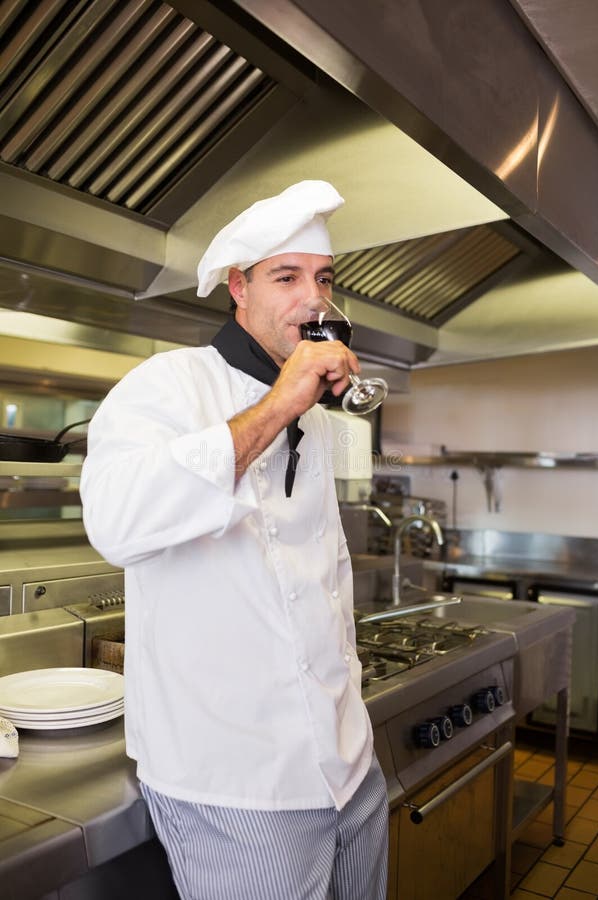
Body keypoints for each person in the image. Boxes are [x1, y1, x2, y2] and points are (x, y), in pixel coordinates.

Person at [80, 180, 388, 900]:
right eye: (286, 277)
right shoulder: (165, 387)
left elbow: (317, 580)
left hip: (350, 768)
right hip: (238, 786)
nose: (313, 300)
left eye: (323, 279)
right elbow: (115, 523)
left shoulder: (315, 419)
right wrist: (279, 403)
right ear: (237, 288)